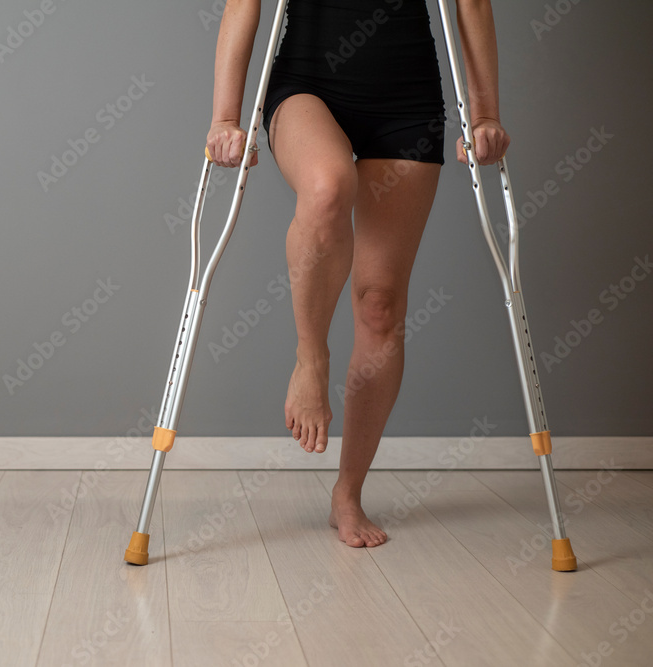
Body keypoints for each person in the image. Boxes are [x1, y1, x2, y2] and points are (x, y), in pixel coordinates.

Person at [205, 0, 510, 548]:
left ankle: (348, 494)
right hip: (309, 85)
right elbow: (242, 4)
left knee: (380, 304)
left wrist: (485, 114)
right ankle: (311, 357)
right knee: (328, 188)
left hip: (407, 96)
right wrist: (226, 118)